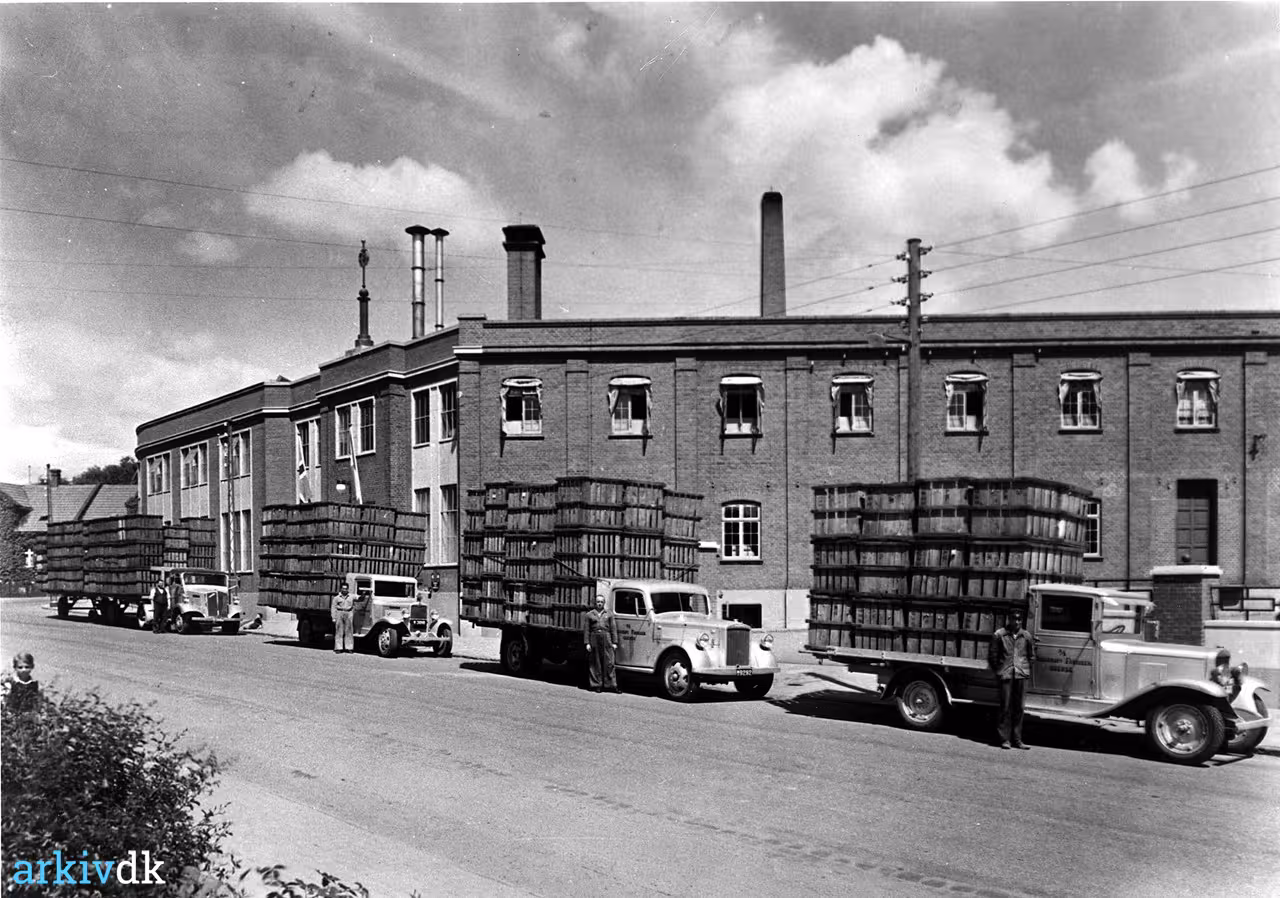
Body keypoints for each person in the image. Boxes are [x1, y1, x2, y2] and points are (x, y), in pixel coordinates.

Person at [989, 609, 1035, 750]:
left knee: (1019, 708)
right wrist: (999, 670)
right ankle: (1004, 739)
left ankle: (1017, 739)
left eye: (1019, 619)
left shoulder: (1026, 636)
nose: (1017, 622)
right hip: (1006, 674)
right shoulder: (1000, 635)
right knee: (1005, 707)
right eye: (1014, 619)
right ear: (1009, 619)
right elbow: (993, 655)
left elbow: (1031, 655)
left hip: (1021, 674)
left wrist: (1026, 669)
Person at [583, 594, 619, 693]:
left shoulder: (609, 614)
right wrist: (587, 643)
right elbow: (586, 630)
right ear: (595, 603)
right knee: (595, 663)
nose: (599, 603)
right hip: (594, 638)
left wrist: (614, 642)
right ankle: (596, 685)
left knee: (609, 663)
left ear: (604, 603)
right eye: (598, 602)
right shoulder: (589, 614)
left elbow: (613, 629)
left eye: (601, 602)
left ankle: (611, 685)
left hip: (606, 638)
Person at [331, 582, 356, 654]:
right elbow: (333, 608)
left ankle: (349, 647)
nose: (344, 590)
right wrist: (333, 617)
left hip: (348, 613)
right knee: (339, 630)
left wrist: (363, 594)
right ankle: (338, 648)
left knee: (349, 631)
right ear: (341, 589)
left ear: (348, 589)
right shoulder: (336, 598)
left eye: (346, 588)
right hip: (339, 612)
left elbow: (359, 598)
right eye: (343, 588)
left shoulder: (351, 596)